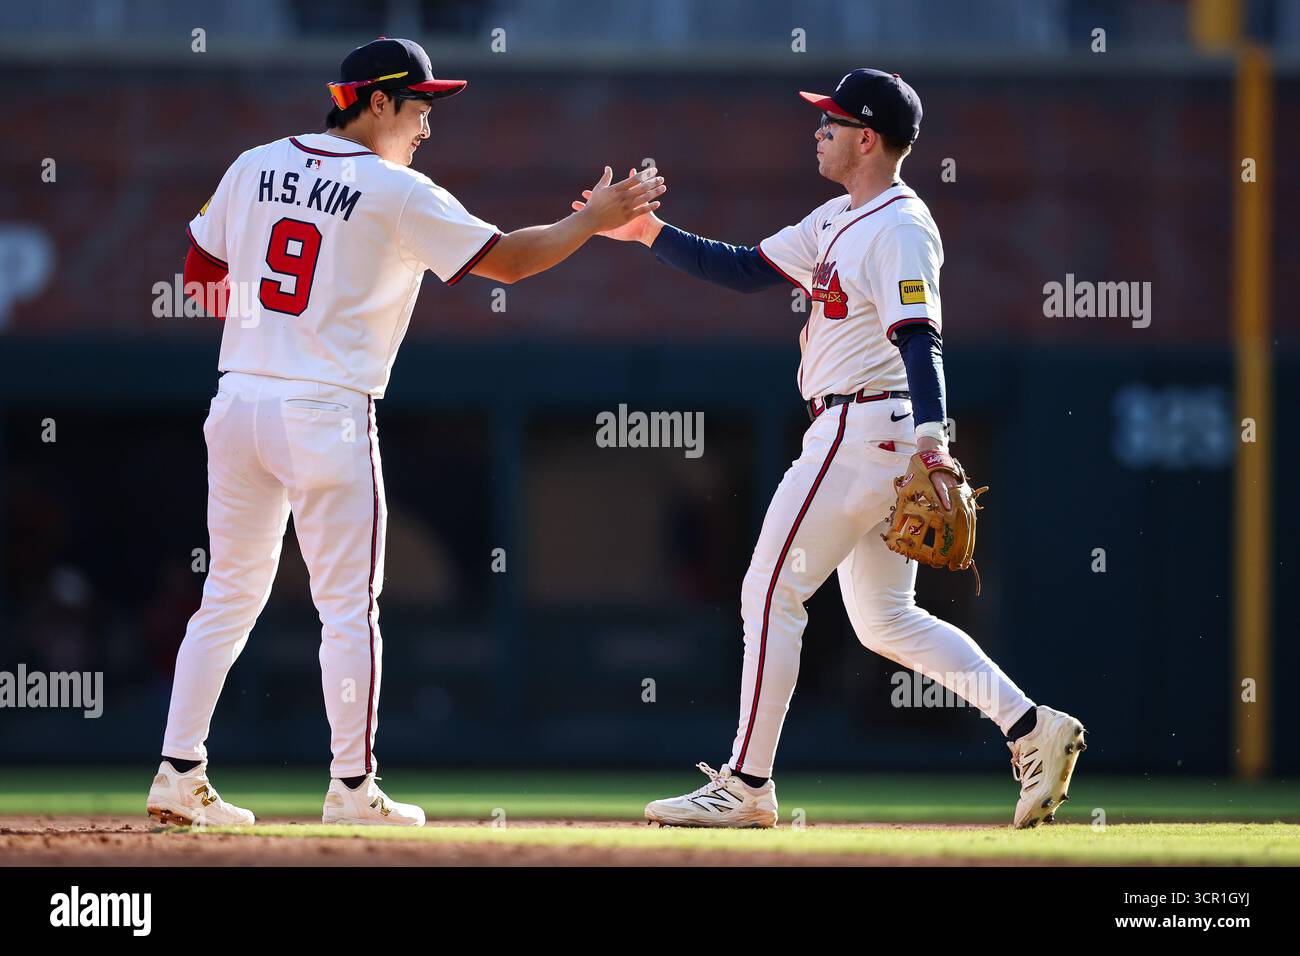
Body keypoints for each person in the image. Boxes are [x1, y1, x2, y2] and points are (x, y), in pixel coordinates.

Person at [147, 37, 665, 827]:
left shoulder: (253, 163)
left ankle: (178, 772)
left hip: (241, 400)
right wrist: (592, 220)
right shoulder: (396, 190)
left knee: (227, 595)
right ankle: (353, 791)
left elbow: (199, 277)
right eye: (420, 105)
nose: (428, 123)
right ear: (376, 102)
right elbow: (511, 264)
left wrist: (272, 339)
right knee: (349, 608)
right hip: (327, 408)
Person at [573, 69, 1084, 829]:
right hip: (862, 429)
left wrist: (934, 443)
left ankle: (747, 784)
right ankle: (1030, 726)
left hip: (862, 429)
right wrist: (647, 232)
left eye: (832, 123)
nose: (818, 130)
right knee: (883, 620)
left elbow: (921, 339)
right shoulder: (837, 218)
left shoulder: (900, 225)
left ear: (867, 139)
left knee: (769, 590)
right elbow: (745, 268)